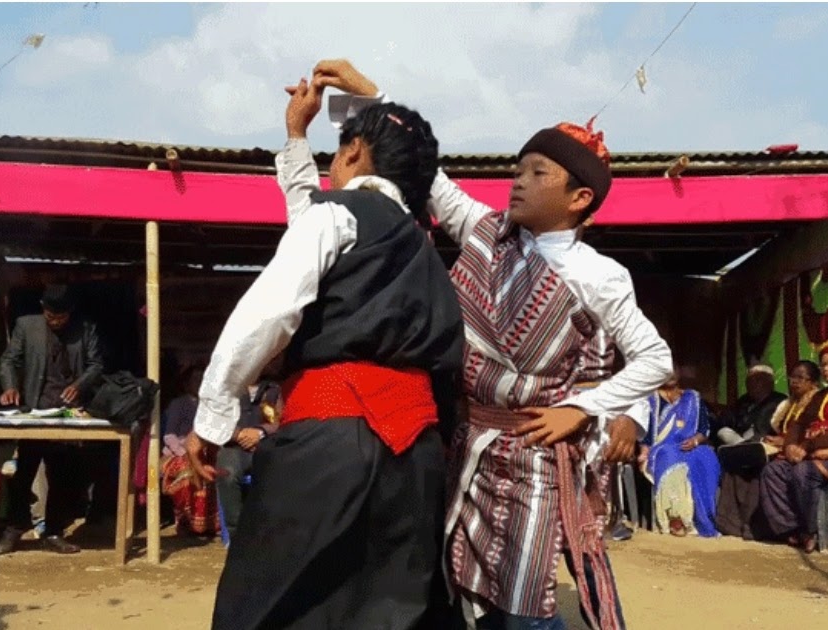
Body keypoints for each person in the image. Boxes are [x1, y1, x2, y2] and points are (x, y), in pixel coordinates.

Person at [310, 60, 672, 630]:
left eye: (536, 173)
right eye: (518, 168)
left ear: (580, 199)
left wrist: (581, 408)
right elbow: (430, 175)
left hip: (534, 460)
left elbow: (655, 358)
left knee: (526, 598)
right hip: (469, 444)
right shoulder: (486, 232)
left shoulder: (599, 276)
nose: (517, 180)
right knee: (464, 585)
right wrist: (372, 99)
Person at [186, 79, 464, 630]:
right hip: (416, 457)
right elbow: (312, 214)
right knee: (387, 613)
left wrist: (213, 414)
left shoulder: (337, 217)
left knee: (272, 608)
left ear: (354, 152)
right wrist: (297, 137)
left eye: (335, 155)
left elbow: (269, 311)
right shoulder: (423, 249)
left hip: (331, 444)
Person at [0, 284, 104, 555]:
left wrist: (79, 385)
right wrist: (9, 386)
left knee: (62, 475)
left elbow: (96, 365)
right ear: (43, 309)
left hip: (67, 412)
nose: (54, 321)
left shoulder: (85, 329)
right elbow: (9, 360)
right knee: (23, 474)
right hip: (35, 409)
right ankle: (15, 528)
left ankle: (53, 533)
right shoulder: (26, 326)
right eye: (50, 316)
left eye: (60, 317)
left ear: (70, 313)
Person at [716, 360, 820, 540]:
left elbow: (814, 432)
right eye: (792, 377)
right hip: (779, 450)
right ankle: (732, 525)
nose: (794, 381)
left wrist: (785, 442)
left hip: (805, 453)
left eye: (800, 378)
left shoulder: (813, 401)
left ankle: (769, 530)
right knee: (734, 465)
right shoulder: (788, 403)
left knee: (764, 469)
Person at [760, 350, 828, 553]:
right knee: (774, 471)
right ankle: (792, 528)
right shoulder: (821, 397)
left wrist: (814, 450)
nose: (826, 369)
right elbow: (800, 425)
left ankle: (811, 531)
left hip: (820, 458)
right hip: (814, 455)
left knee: (803, 472)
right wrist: (790, 445)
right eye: (824, 365)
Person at [638, 374, 721, 538]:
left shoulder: (693, 398)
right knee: (670, 457)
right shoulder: (650, 399)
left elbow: (704, 429)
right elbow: (643, 433)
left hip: (690, 446)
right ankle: (677, 518)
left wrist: (696, 441)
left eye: (674, 369)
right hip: (661, 448)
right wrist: (643, 451)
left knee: (707, 456)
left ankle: (703, 519)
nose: (670, 373)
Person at [215, 379, 280, 540]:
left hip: (268, 445)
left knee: (280, 472)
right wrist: (240, 434)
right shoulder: (226, 389)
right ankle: (236, 534)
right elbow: (215, 420)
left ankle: (271, 533)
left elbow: (284, 420)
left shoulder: (275, 390)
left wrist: (260, 432)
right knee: (227, 473)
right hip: (233, 446)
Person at [159, 367, 220, 537]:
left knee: (214, 469)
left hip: (206, 451)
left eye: (202, 379)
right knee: (186, 472)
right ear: (186, 384)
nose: (199, 384)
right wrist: (183, 451)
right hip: (178, 451)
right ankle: (187, 522)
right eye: (195, 380)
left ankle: (209, 524)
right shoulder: (179, 403)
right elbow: (169, 435)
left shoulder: (211, 406)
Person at [715, 364, 786, 446]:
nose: (751, 384)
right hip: (740, 442)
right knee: (723, 432)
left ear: (769, 383)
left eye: (757, 380)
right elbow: (725, 421)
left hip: (766, 443)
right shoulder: (743, 401)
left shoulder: (780, 401)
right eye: (749, 380)